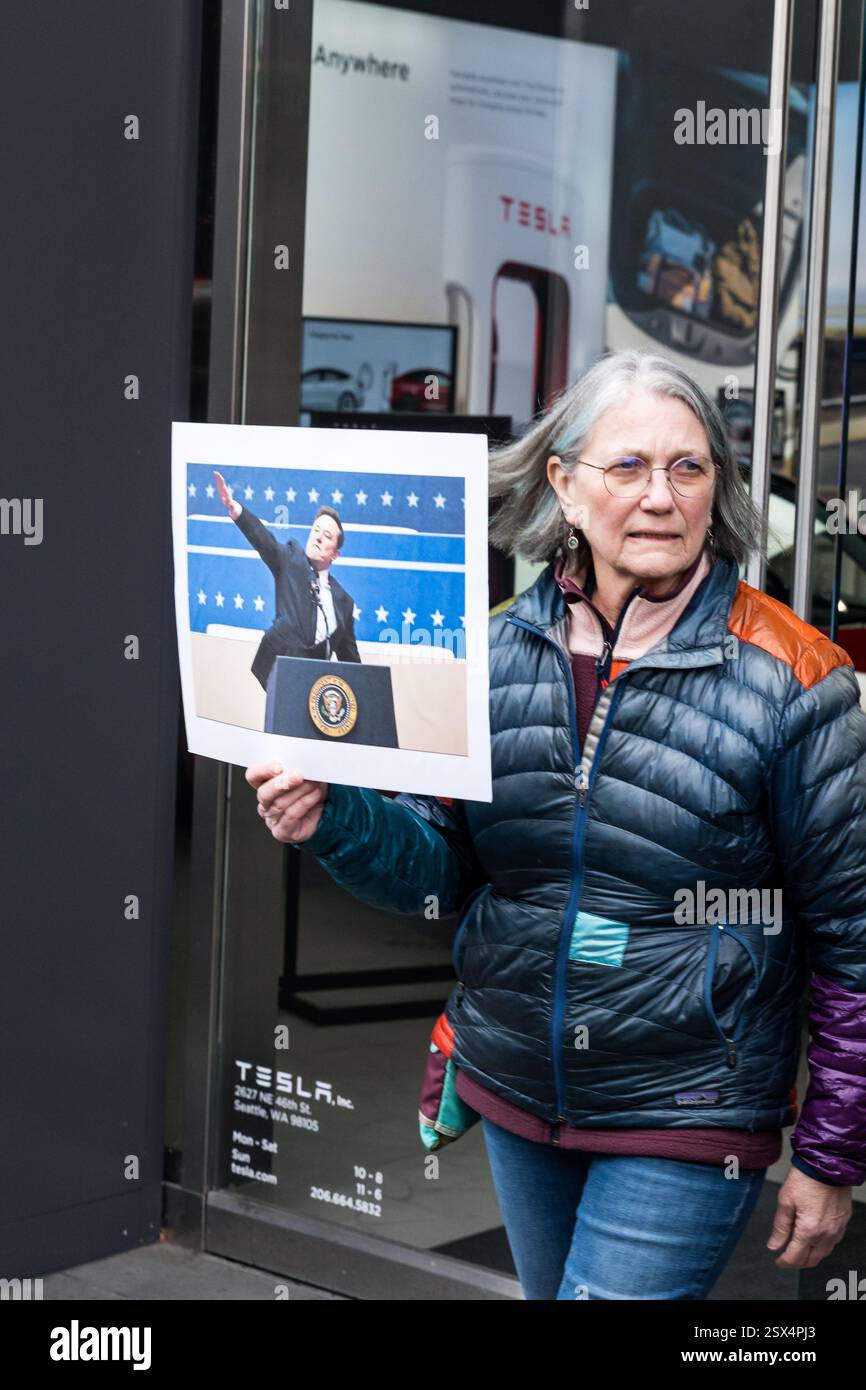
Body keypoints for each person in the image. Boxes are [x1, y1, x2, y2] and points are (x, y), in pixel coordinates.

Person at [243, 348, 866, 1300]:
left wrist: (831, 1153)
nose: (661, 495)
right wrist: (332, 818)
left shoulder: (793, 678)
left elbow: (852, 940)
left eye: (688, 467)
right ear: (563, 485)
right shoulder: (490, 656)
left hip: (688, 1108)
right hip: (515, 1086)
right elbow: (441, 873)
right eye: (628, 467)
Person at [214, 470, 361, 691]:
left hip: (317, 690)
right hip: (280, 676)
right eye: (316, 530)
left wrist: (364, 690)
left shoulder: (344, 603)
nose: (318, 537)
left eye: (327, 536)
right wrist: (234, 509)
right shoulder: (290, 560)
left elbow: (351, 662)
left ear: (335, 554)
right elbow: (265, 541)